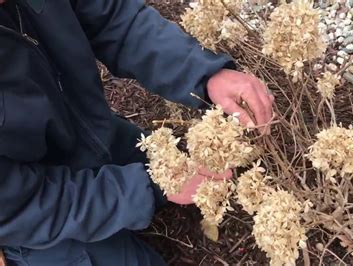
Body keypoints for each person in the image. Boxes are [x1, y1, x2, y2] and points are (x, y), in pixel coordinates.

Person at [0, 0, 274, 265]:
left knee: (191, 169)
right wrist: (149, 187)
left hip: (92, 137)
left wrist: (205, 74)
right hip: (28, 214)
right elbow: (22, 206)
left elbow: (114, 19)